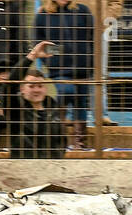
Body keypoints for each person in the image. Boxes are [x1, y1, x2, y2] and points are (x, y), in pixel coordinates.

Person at [34, 0, 95, 151]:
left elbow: (91, 38)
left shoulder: (83, 10)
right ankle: (58, 139)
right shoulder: (43, 14)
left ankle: (79, 142)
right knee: (66, 92)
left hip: (83, 67)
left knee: (81, 104)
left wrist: (89, 57)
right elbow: (38, 41)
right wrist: (54, 57)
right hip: (59, 69)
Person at [4, 68, 67, 157]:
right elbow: (9, 85)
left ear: (45, 88)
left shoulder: (54, 109)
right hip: (24, 166)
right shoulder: (15, 109)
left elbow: (62, 140)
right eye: (31, 86)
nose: (36, 90)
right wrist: (31, 56)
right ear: (22, 89)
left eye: (40, 86)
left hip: (52, 166)